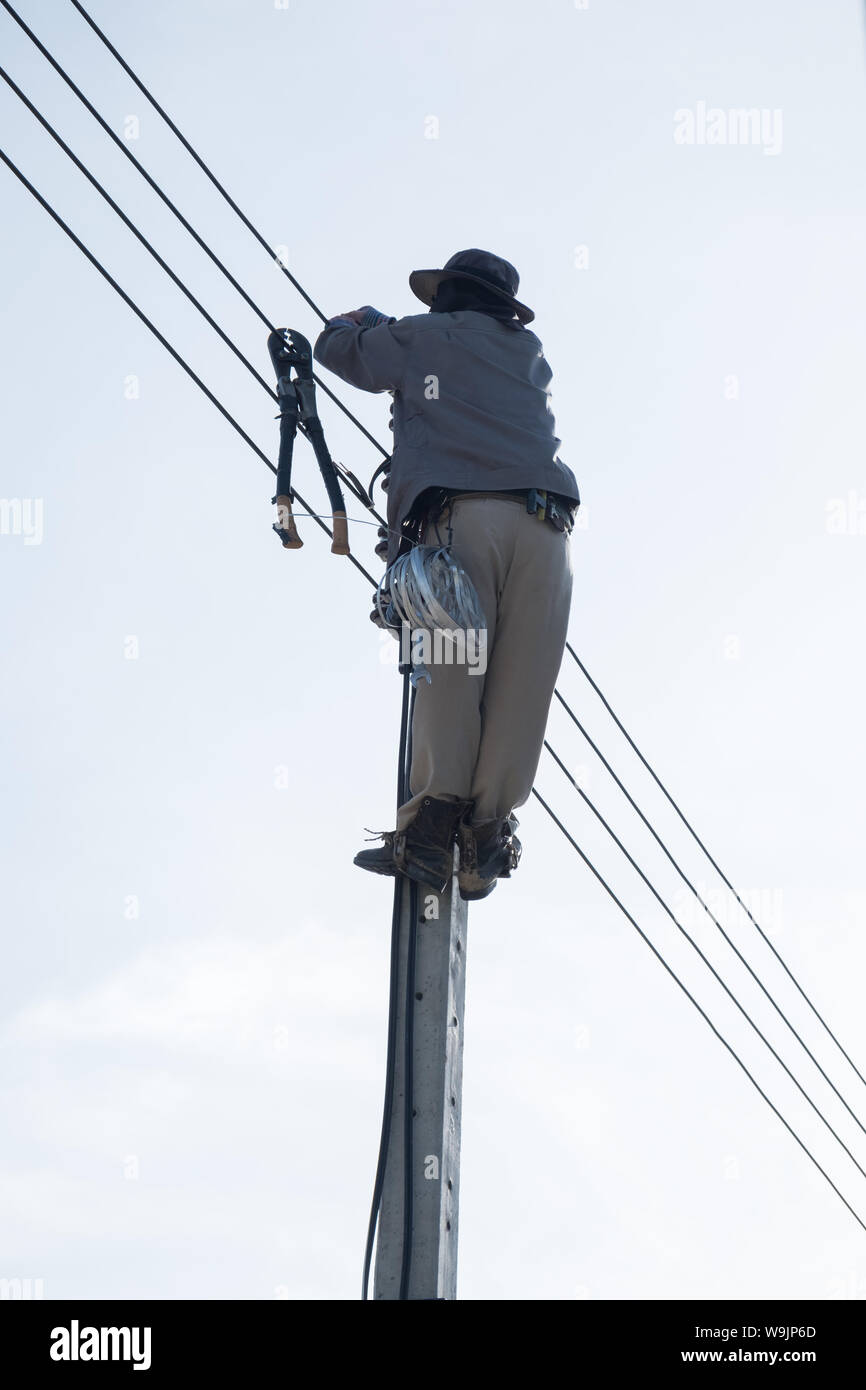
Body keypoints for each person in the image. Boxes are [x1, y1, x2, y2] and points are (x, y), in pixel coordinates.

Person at [314, 249, 580, 900]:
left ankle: (431, 834)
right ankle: (486, 833)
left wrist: (364, 321)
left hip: (463, 526)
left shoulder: (422, 334)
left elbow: (337, 349)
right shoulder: (529, 353)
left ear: (446, 297)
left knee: (451, 677)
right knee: (522, 690)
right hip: (547, 535)